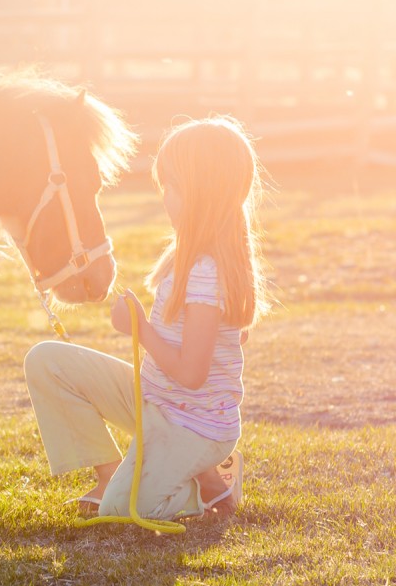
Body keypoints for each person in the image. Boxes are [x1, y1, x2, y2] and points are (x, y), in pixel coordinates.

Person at [24, 116, 271, 520]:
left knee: (126, 509)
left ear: (199, 194)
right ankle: (109, 476)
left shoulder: (206, 270)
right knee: (46, 361)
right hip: (154, 398)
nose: (164, 198)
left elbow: (191, 375)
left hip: (193, 426)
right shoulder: (186, 258)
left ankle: (207, 485)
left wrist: (140, 329)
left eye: (169, 187)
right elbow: (223, 338)